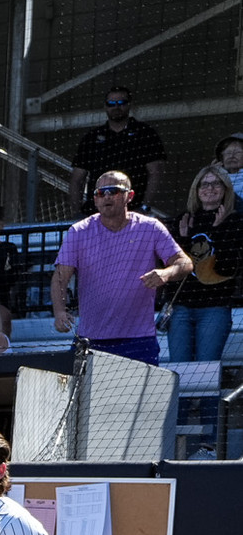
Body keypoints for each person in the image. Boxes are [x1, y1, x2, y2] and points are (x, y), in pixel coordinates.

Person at [51, 169, 189, 365]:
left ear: (129, 196)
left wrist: (167, 273)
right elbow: (59, 277)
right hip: (91, 339)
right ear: (95, 199)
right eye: (100, 192)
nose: (106, 196)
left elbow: (185, 263)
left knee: (143, 397)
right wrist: (59, 311)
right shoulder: (78, 231)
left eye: (113, 191)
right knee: (83, 396)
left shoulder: (151, 227)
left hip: (139, 340)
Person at [167, 165, 243, 362]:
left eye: (216, 183)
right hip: (182, 307)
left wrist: (217, 232)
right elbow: (172, 266)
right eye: (205, 184)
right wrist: (183, 240)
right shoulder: (184, 220)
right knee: (178, 369)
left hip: (215, 307)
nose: (210, 188)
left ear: (225, 189)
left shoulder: (235, 221)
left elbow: (228, 268)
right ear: (196, 189)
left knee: (206, 369)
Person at [70, 86, 167, 215]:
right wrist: (78, 212)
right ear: (105, 106)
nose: (116, 107)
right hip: (97, 213)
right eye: (111, 104)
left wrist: (144, 207)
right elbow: (77, 178)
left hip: (133, 211)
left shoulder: (145, 133)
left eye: (121, 103)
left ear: (130, 105)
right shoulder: (92, 137)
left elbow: (156, 172)